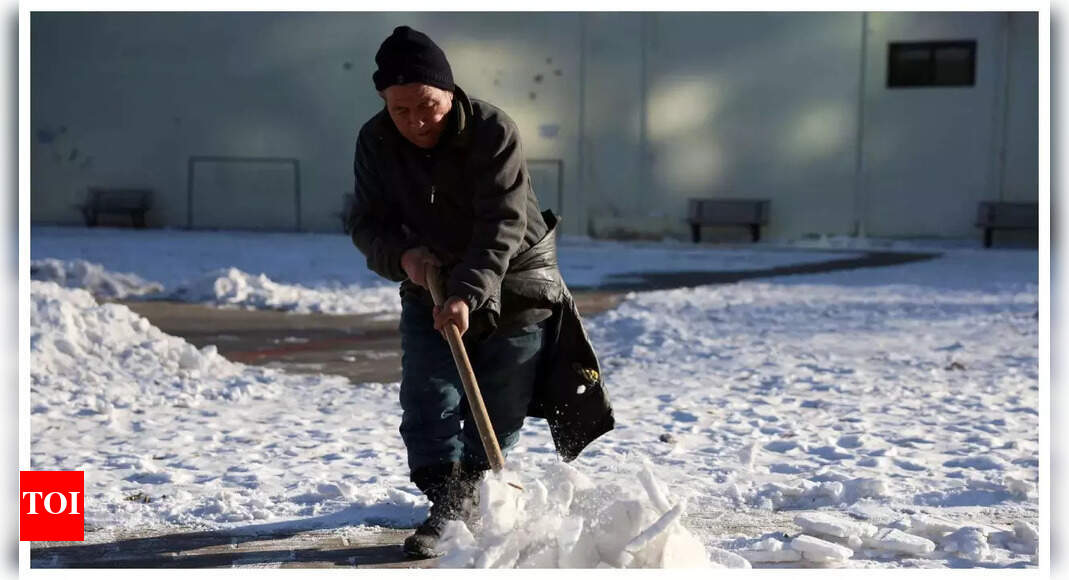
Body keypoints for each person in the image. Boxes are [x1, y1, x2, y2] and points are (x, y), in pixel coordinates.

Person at [347, 25, 614, 559]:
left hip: (517, 282)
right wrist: (404, 259)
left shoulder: (492, 131)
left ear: (449, 92)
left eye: (427, 105)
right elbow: (366, 222)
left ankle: (474, 499)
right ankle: (449, 507)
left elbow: (501, 224)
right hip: (428, 280)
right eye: (400, 110)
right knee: (427, 398)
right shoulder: (375, 141)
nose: (416, 121)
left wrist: (466, 294)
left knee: (498, 404)